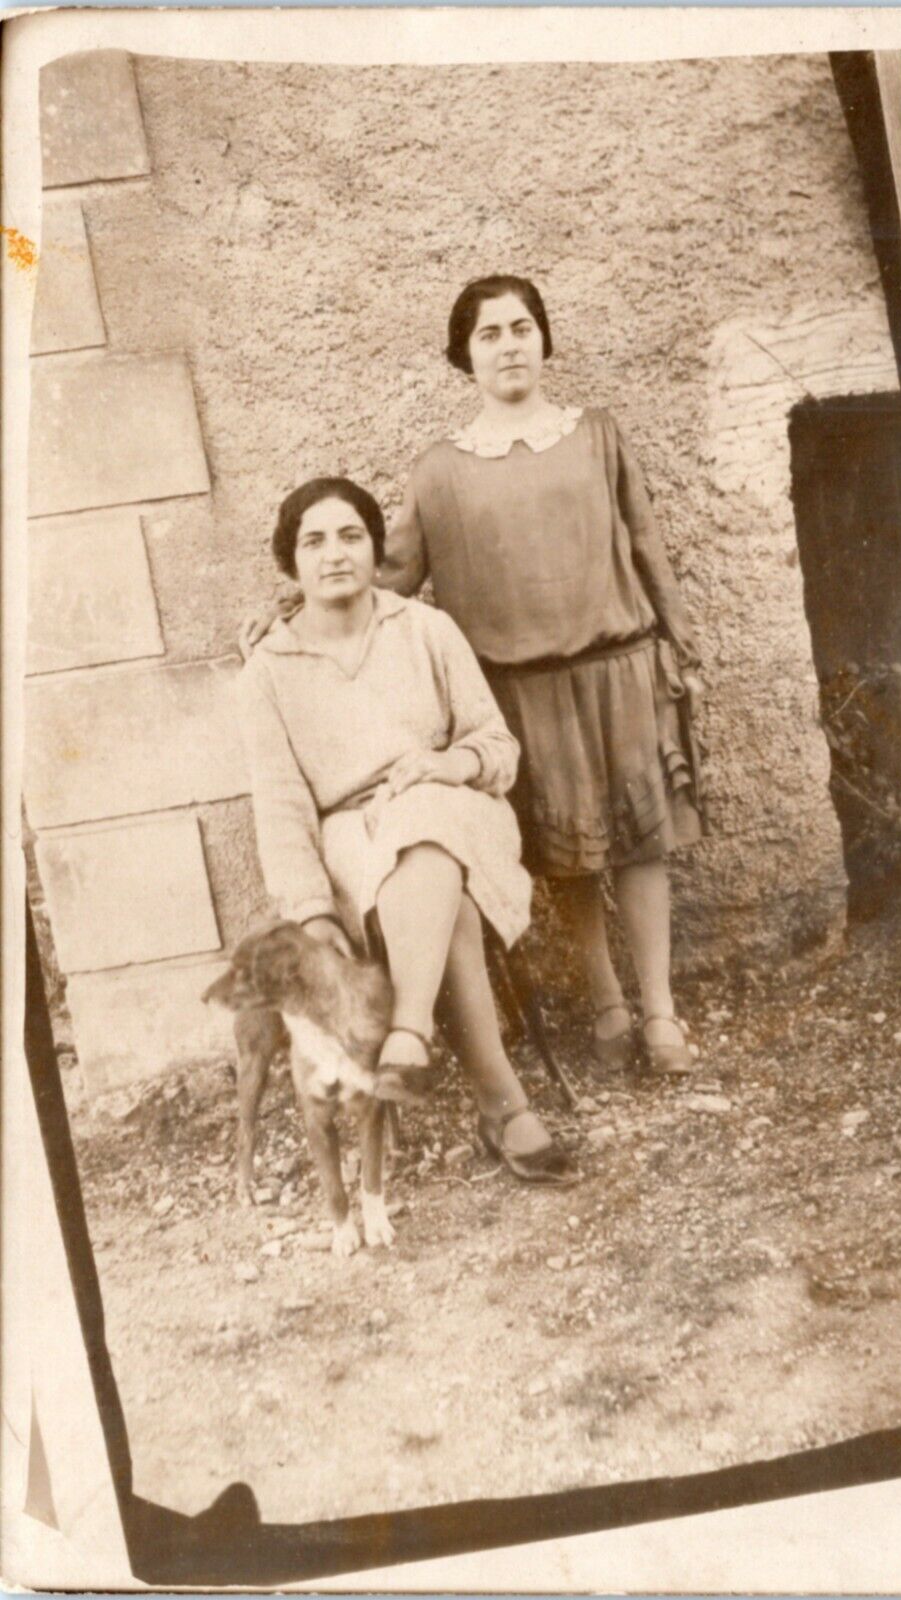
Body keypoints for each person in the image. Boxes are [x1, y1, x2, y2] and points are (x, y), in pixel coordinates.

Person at [245, 276, 705, 1074]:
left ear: (544, 338)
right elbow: (384, 572)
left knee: (640, 845)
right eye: (489, 334)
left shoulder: (597, 435)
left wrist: (679, 642)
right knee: (570, 856)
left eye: (522, 327)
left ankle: (661, 1013)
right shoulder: (440, 471)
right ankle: (606, 1005)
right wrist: (295, 599)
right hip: (519, 691)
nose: (509, 345)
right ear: (466, 356)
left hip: (618, 669)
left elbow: (646, 543)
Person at [237, 474, 575, 1184]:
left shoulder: (426, 629)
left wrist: (445, 765)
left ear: (375, 547)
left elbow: (498, 750)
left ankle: (411, 1031)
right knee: (429, 877)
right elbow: (280, 807)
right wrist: (312, 912)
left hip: (455, 807)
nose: (335, 554)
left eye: (352, 535)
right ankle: (499, 1103)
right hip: (350, 841)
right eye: (314, 541)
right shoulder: (268, 670)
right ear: (290, 562)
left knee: (426, 828)